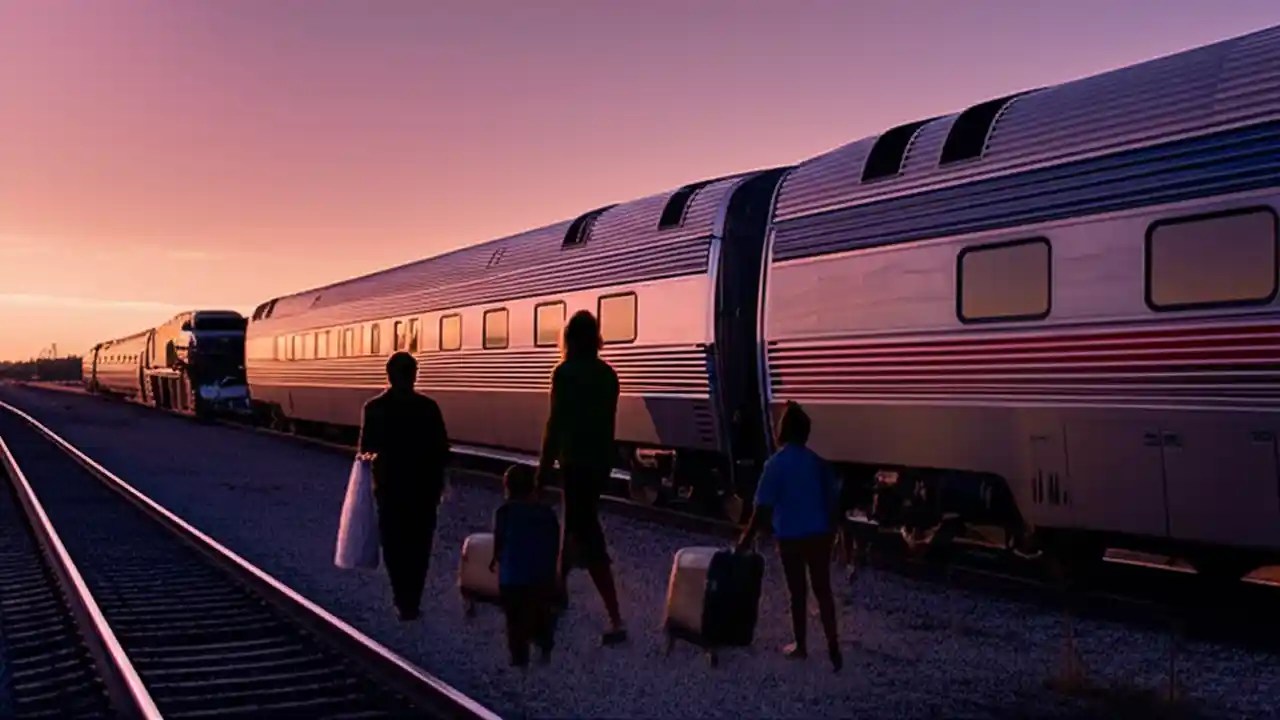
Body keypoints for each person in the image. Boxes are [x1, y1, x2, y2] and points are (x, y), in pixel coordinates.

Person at [535, 310, 627, 645]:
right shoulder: (608, 375)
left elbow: (554, 425)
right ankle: (557, 595)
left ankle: (616, 618)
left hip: (574, 463)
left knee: (586, 532)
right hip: (600, 464)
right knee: (574, 526)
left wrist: (542, 472)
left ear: (569, 338)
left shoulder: (564, 373)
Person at [737, 401, 843, 672]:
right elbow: (833, 502)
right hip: (819, 534)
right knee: (823, 590)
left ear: (782, 431)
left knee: (798, 593)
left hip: (791, 537)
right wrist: (834, 534)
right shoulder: (817, 463)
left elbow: (761, 509)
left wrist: (745, 541)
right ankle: (833, 645)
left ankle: (801, 646)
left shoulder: (775, 465)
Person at [357, 351, 450, 621]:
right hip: (424, 490)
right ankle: (413, 599)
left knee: (395, 544)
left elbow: (366, 450)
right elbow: (442, 449)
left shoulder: (374, 408)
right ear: (414, 375)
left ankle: (402, 598)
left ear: (389, 375)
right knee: (420, 545)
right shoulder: (428, 407)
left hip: (389, 489)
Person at [490, 465, 560, 667]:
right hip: (541, 578)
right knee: (542, 611)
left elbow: (499, 544)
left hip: (512, 579)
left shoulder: (504, 512)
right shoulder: (547, 514)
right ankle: (544, 645)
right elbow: (554, 544)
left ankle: (518, 659)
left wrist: (496, 560)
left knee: (514, 621)